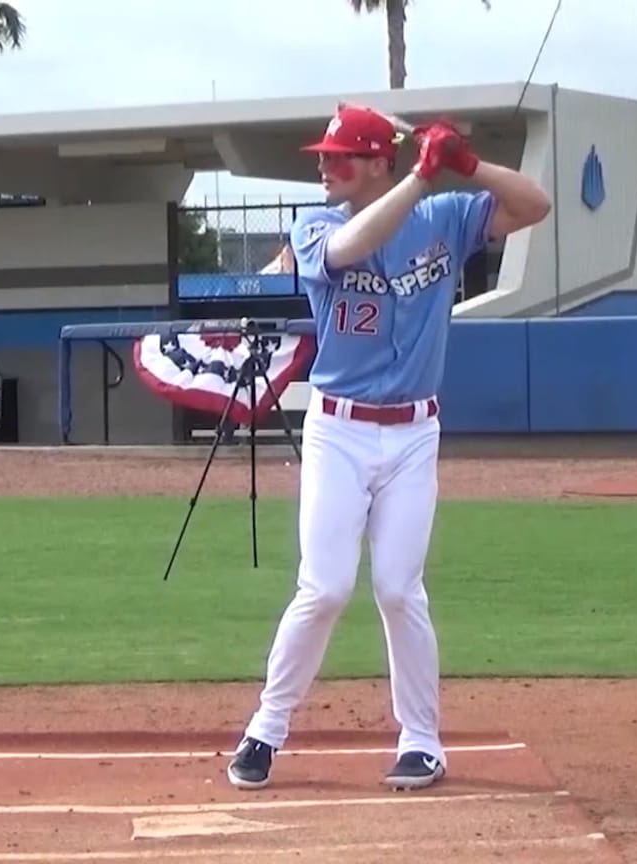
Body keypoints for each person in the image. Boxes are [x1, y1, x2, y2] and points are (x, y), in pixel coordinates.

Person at [226, 102, 552, 792]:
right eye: (324, 157)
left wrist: (466, 164)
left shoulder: (444, 217)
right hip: (338, 429)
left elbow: (535, 204)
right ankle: (265, 729)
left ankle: (422, 741)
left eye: (339, 157)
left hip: (413, 432)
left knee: (400, 589)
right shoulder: (318, 222)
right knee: (325, 586)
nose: (324, 167)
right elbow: (351, 250)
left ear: (378, 160)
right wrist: (420, 180)